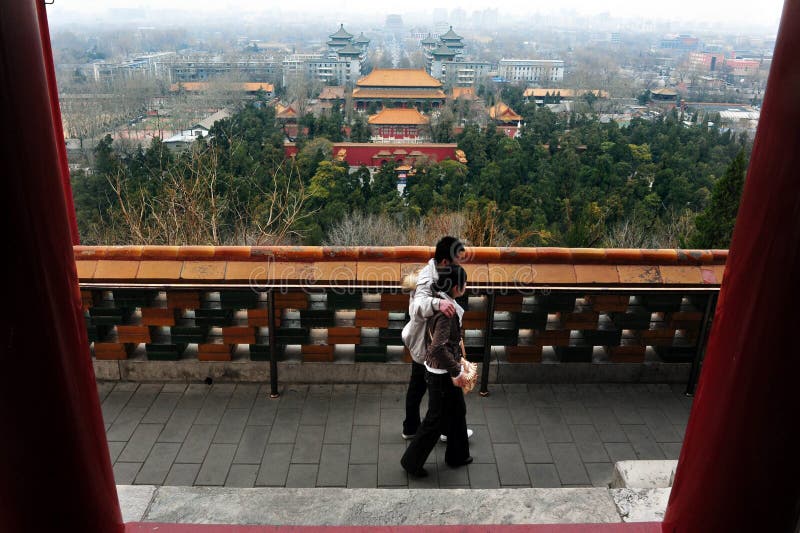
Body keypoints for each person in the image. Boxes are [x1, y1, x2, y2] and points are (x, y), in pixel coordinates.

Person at [401, 265, 472, 477]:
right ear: (457, 287)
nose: (467, 287)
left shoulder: (438, 299)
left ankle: (458, 455)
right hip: (441, 374)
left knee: (458, 411)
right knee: (434, 420)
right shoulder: (447, 313)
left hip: (440, 372)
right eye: (465, 284)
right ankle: (411, 462)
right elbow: (437, 348)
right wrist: (456, 371)